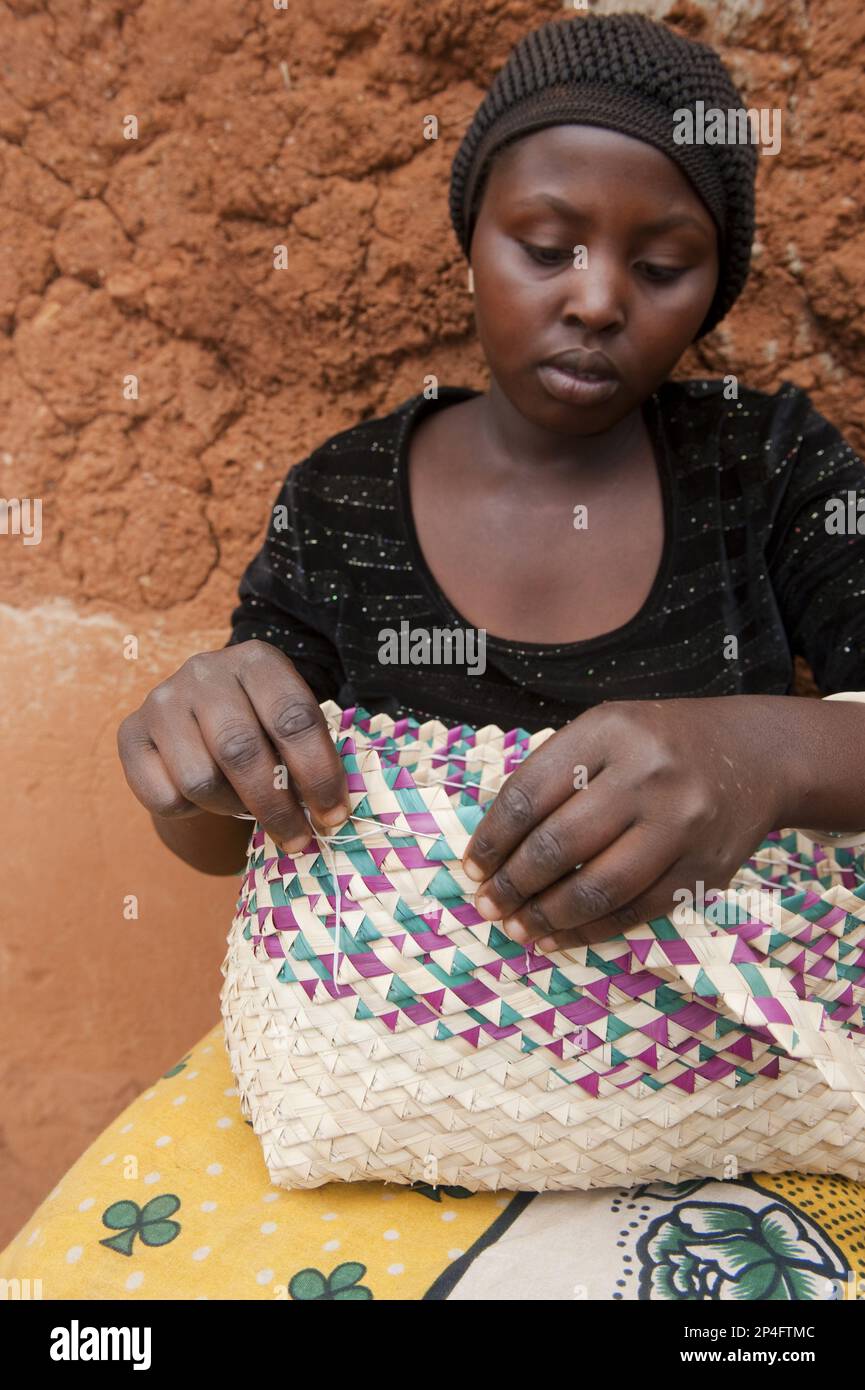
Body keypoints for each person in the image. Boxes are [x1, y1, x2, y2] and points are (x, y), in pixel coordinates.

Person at [117, 10, 865, 955]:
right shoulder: (340, 501)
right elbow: (229, 838)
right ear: (472, 240)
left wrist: (763, 753)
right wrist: (198, 753)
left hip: (706, 1061)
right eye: (546, 249)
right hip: (399, 1056)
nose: (595, 299)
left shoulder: (766, 466)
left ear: (713, 288)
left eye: (662, 266)